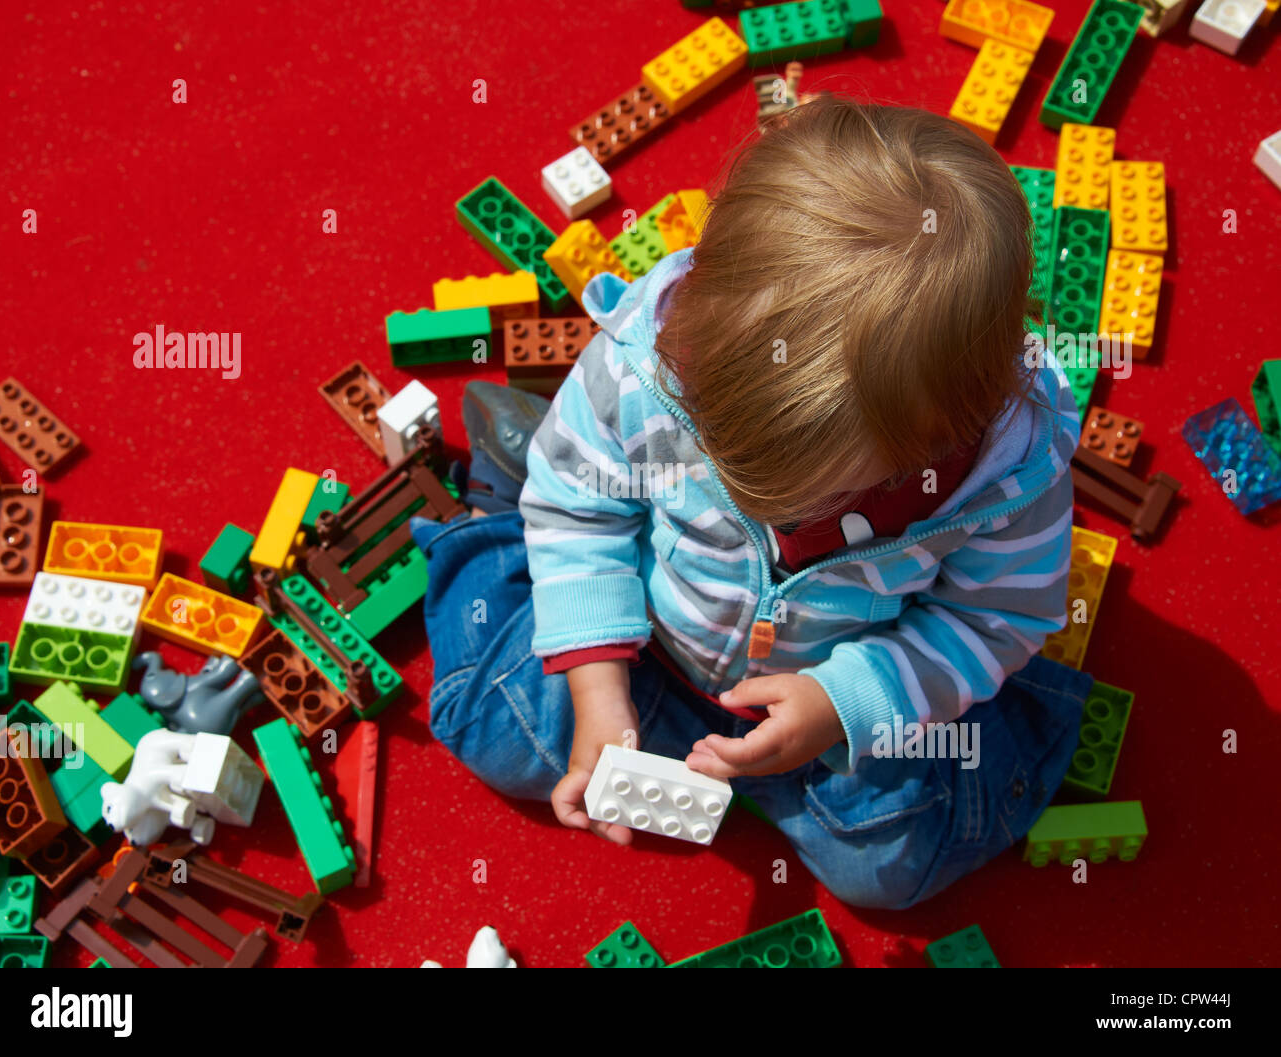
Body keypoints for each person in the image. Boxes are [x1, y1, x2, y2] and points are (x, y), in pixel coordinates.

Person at [411, 97, 1088, 908]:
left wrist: (847, 700)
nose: (783, 525)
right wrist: (598, 689)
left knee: (894, 870)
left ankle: (811, 746)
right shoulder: (646, 367)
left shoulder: (1005, 484)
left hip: (832, 703)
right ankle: (498, 498)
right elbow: (581, 510)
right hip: (649, 649)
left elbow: (995, 621)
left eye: (820, 493)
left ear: (944, 431)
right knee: (491, 723)